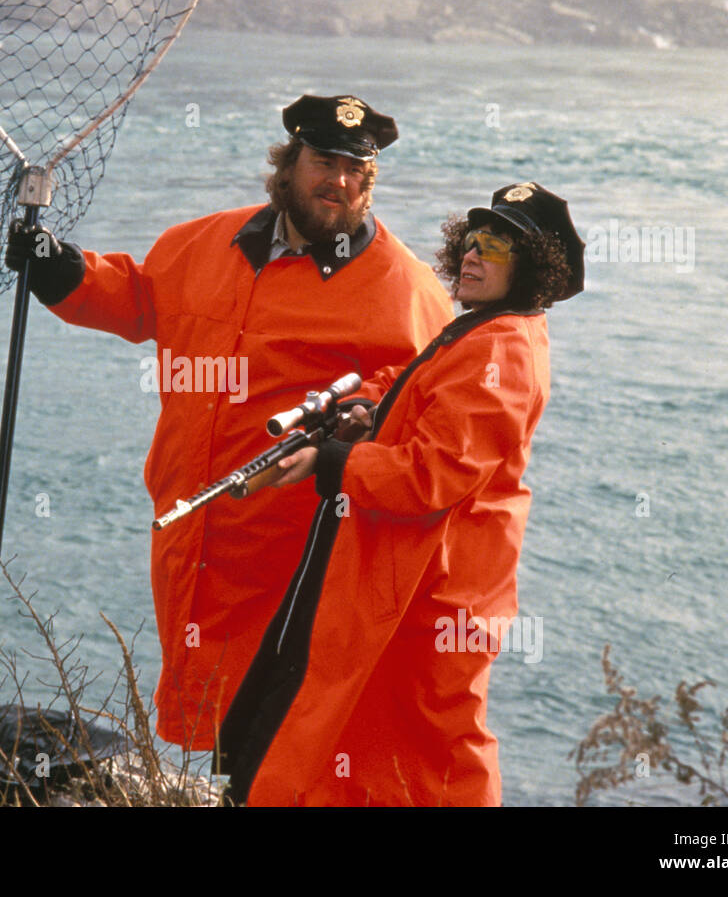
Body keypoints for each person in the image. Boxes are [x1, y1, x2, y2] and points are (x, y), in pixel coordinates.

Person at [5, 95, 455, 750]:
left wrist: (364, 414)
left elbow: (425, 397)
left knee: (285, 730)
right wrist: (59, 269)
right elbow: (136, 298)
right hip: (190, 537)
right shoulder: (200, 244)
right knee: (211, 725)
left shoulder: (406, 288)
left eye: (358, 169)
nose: (341, 180)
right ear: (288, 163)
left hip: (296, 554)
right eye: (325, 161)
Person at [217, 182, 584, 805]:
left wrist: (332, 460)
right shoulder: (485, 332)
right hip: (418, 581)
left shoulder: (505, 350)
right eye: (471, 239)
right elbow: (419, 394)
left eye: (496, 245)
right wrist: (367, 411)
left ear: (533, 267)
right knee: (372, 737)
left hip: (436, 593)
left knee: (437, 744)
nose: (472, 254)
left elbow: (431, 474)